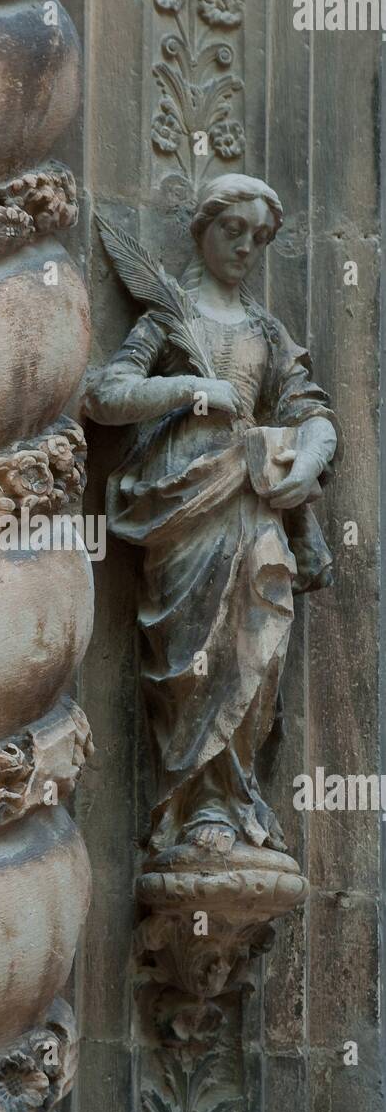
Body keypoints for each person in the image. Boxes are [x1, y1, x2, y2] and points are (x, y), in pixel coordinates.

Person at [85, 175, 338, 858]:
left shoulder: (264, 329)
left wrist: (309, 463)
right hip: (184, 505)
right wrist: (194, 388)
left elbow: (310, 410)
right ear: (204, 227)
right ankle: (193, 804)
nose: (247, 247)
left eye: (259, 238)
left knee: (255, 645)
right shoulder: (170, 317)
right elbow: (105, 394)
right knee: (191, 659)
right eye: (235, 230)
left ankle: (232, 800)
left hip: (252, 503)